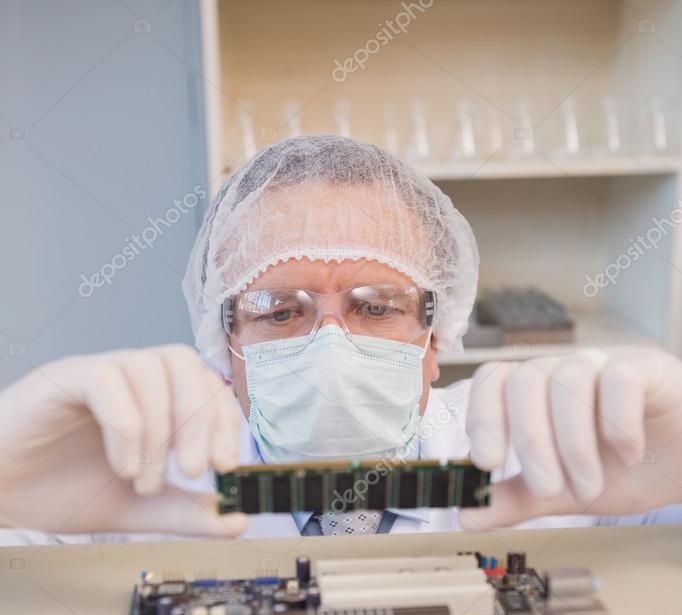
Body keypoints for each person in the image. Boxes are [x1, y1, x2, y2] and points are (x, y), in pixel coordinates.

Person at [1, 134, 682, 544]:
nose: (331, 348)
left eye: (377, 306)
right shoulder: (135, 477)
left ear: (435, 336)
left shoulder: (547, 452)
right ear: (223, 341)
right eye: (278, 310)